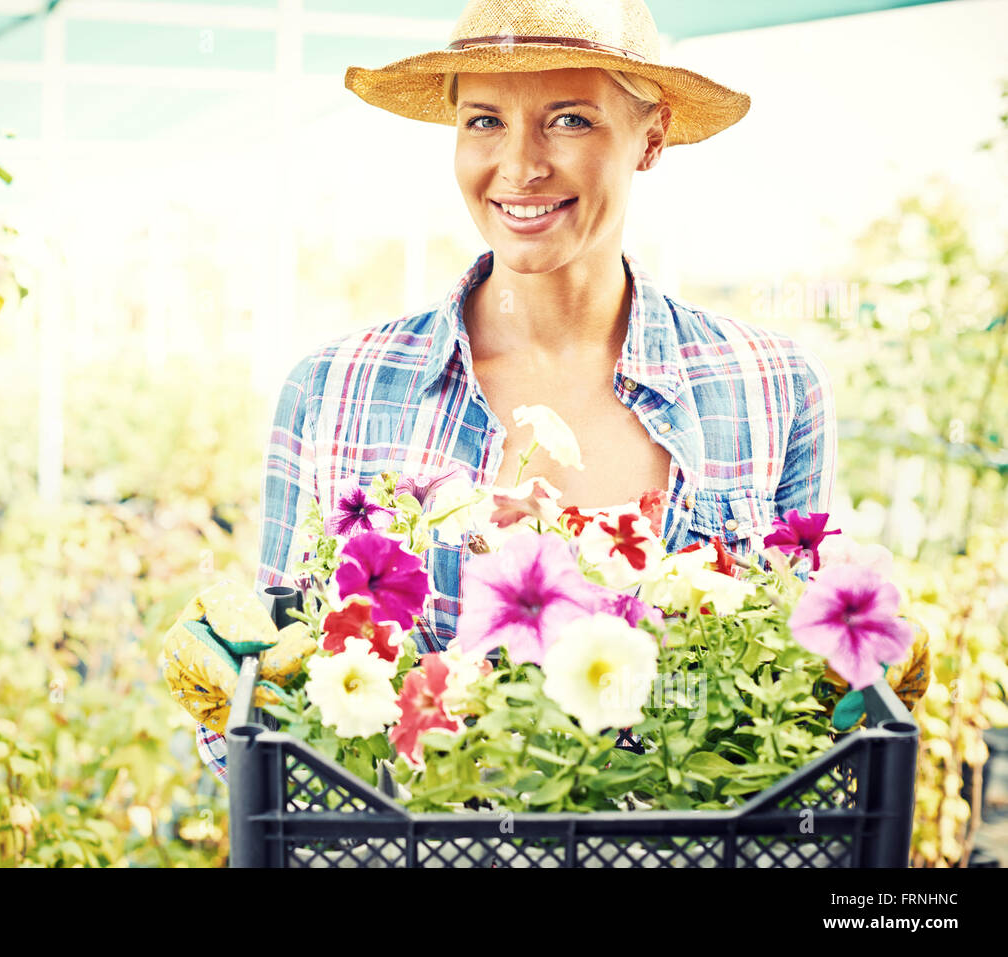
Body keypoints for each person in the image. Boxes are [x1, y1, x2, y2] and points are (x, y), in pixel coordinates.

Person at [195, 0, 838, 781]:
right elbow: (277, 713)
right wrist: (222, 704)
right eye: (484, 121)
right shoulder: (333, 390)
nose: (521, 165)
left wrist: (860, 688)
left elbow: (804, 713)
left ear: (653, 135)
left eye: (569, 120)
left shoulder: (771, 388)